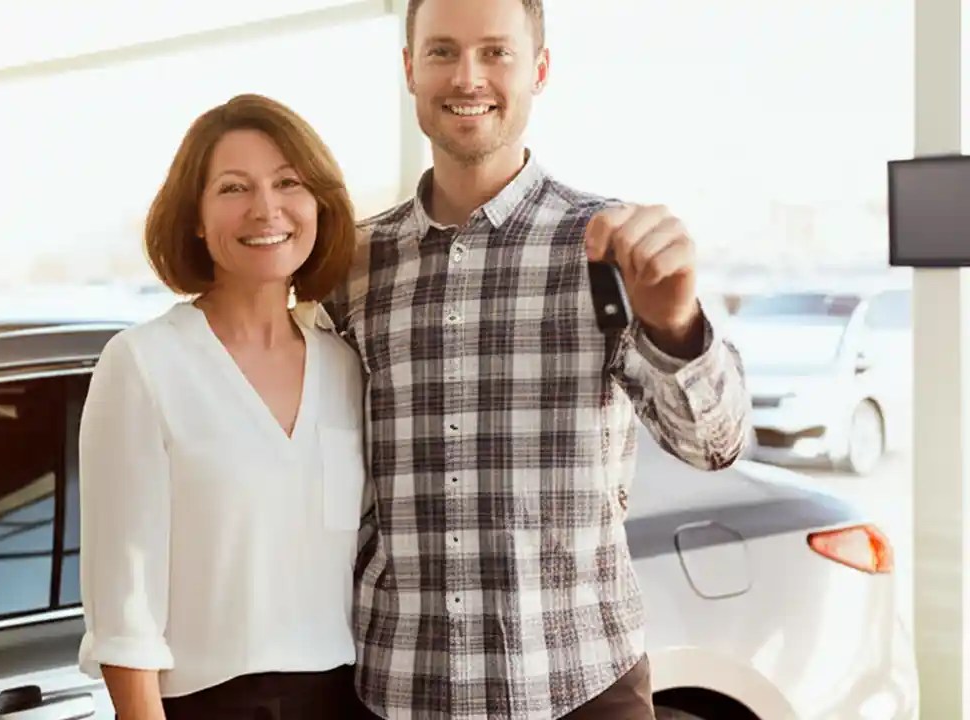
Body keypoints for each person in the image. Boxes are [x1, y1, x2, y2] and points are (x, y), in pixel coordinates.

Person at [323, 1, 753, 718]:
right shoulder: (353, 269)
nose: (468, 76)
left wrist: (675, 320)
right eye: (441, 52)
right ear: (409, 68)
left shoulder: (611, 246)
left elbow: (714, 444)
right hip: (399, 687)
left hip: (579, 688)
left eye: (496, 52)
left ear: (540, 70)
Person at [77, 93, 375, 720]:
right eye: (234, 188)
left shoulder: (347, 367)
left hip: (345, 700)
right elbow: (123, 612)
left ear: (317, 202)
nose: (265, 209)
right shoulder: (144, 364)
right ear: (194, 218)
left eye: (287, 183)